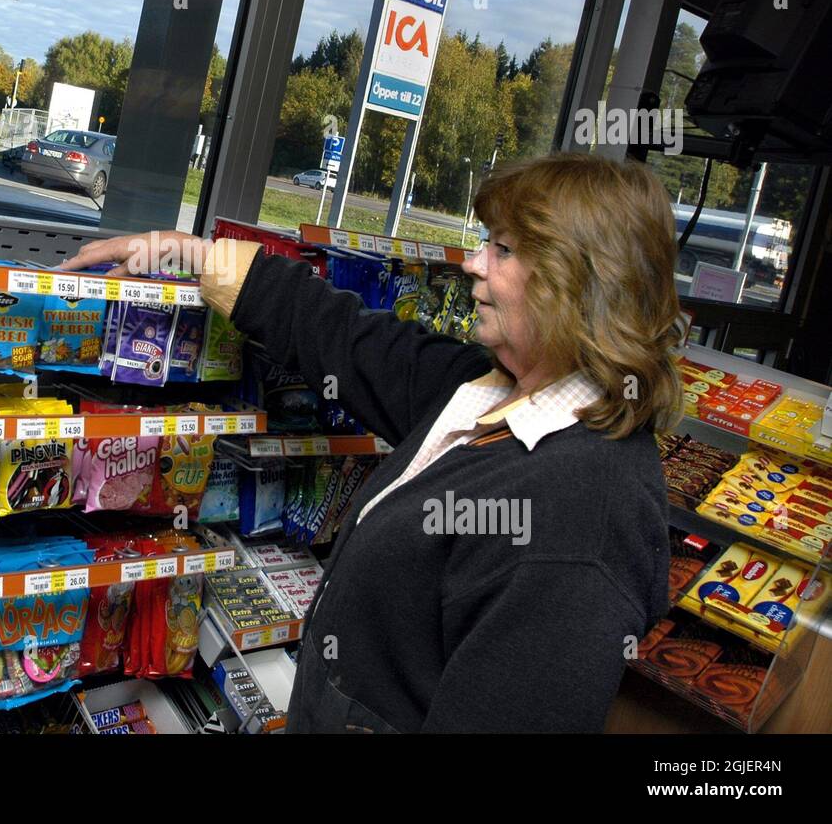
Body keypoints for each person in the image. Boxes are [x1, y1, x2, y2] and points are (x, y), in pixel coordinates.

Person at [59, 153, 685, 732]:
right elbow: (345, 337)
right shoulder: (487, 388)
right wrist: (193, 255)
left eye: (502, 250)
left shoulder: (581, 522)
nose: (471, 262)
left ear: (574, 285)